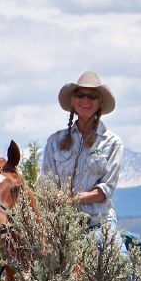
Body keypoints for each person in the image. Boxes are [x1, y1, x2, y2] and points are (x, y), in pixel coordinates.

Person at [41, 71, 124, 243]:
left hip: (99, 223)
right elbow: (46, 183)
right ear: (73, 101)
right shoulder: (54, 141)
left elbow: (106, 189)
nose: (85, 100)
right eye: (80, 95)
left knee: (119, 260)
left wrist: (71, 199)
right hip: (59, 224)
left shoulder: (112, 143)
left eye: (92, 96)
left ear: (100, 103)